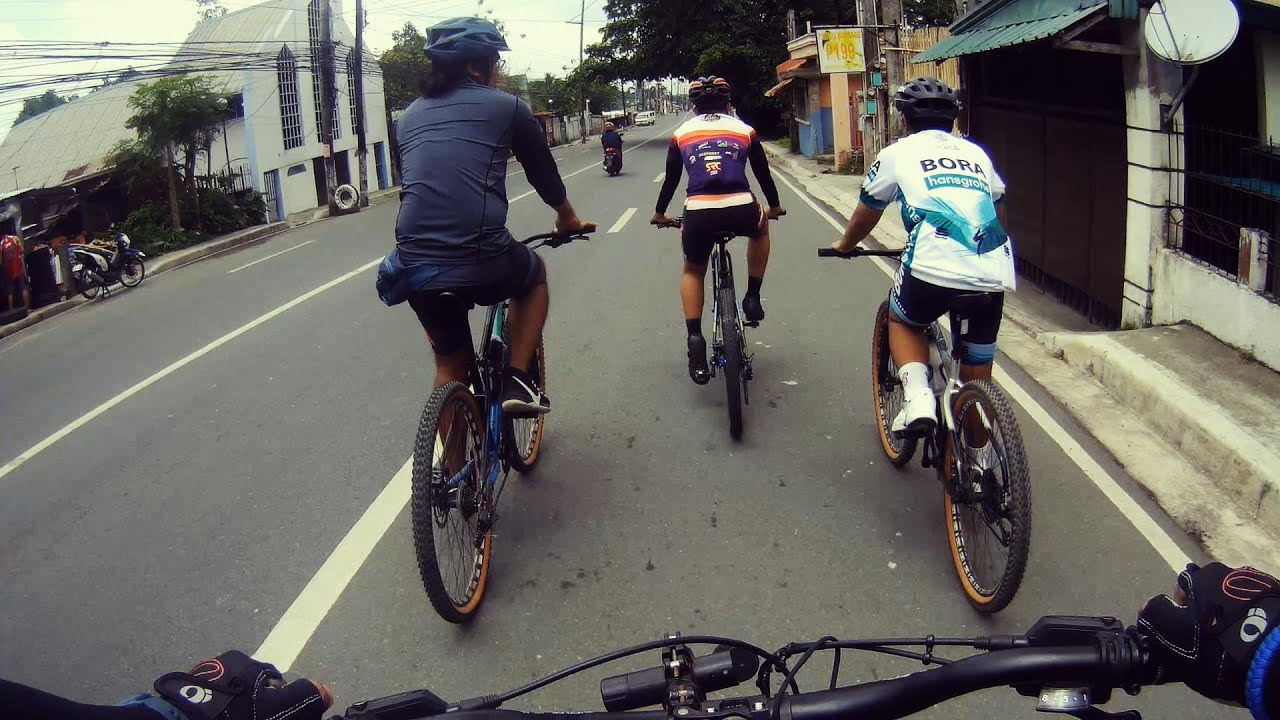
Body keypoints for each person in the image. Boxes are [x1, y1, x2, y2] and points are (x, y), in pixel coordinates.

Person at [3, 563, 1278, 719]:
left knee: (464, 319)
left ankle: (476, 401)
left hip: (429, 279)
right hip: (975, 283)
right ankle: (936, 401)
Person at [376, 17, 594, 415]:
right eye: (495, 62)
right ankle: (516, 378)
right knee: (532, 275)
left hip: (414, 266)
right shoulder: (508, 108)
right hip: (481, 256)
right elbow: (544, 176)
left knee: (449, 367)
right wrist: (567, 218)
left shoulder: (405, 119)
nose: (499, 71)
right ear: (477, 67)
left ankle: (453, 475)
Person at [829, 77, 1015, 434]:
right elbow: (998, 210)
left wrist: (845, 245)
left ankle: (917, 398)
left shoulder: (897, 153)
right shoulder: (977, 153)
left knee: (902, 319)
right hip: (992, 270)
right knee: (977, 379)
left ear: (904, 120)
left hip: (932, 266)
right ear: (953, 120)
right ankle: (976, 466)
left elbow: (868, 210)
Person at [651, 76, 784, 384]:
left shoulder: (681, 134)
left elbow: (671, 180)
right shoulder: (745, 130)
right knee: (760, 230)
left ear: (694, 107)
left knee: (693, 270)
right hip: (741, 206)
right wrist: (773, 207)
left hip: (698, 213)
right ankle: (752, 297)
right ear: (728, 104)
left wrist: (660, 213)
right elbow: (763, 176)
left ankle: (695, 340)